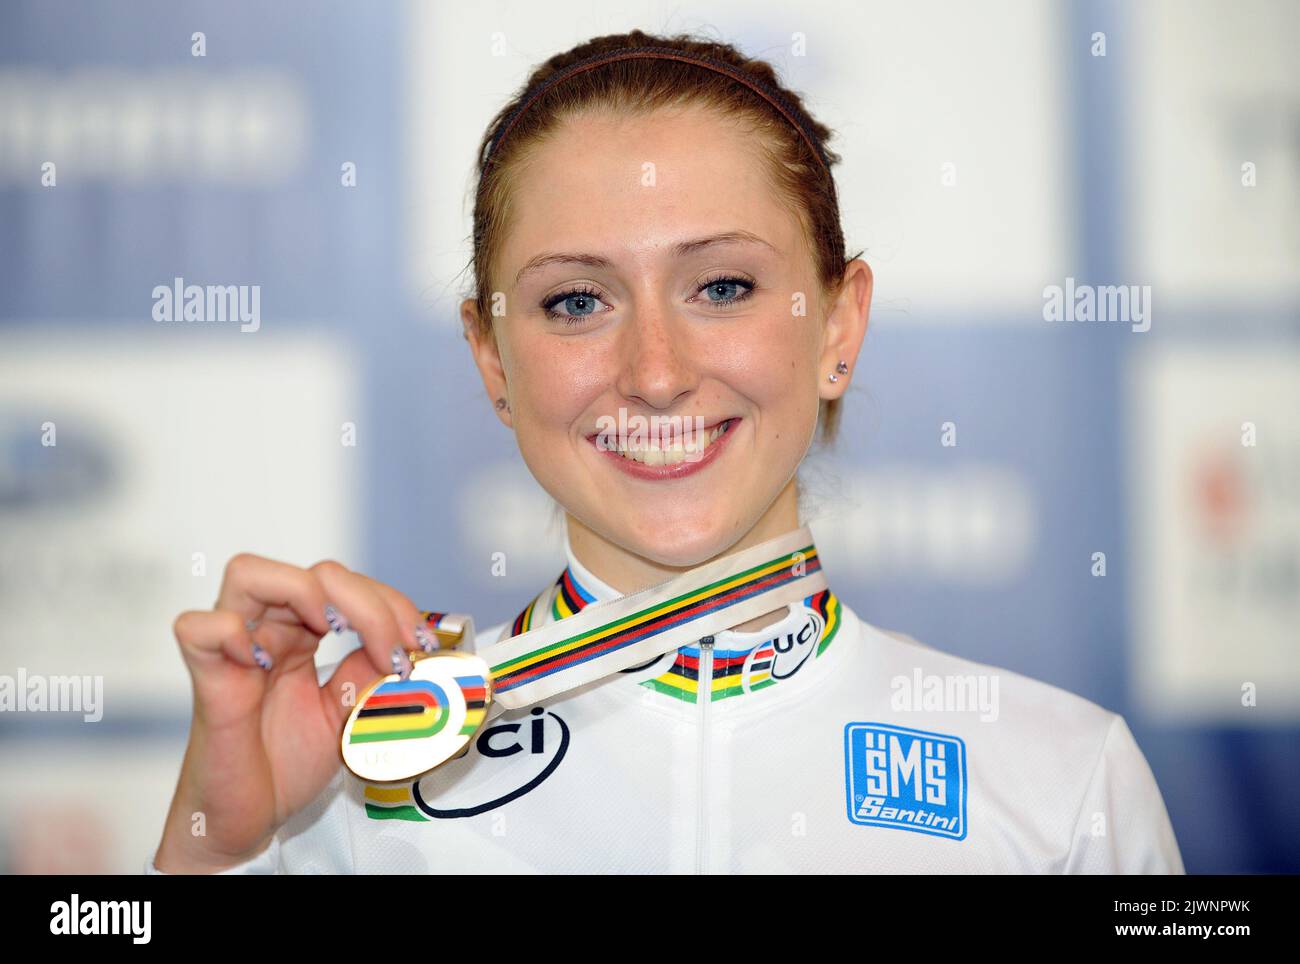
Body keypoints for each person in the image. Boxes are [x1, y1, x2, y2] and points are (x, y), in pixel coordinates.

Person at [149, 29, 1184, 874]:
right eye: (577, 301)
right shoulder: (343, 784)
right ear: (492, 359)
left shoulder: (1061, 784)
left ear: (836, 326)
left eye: (722, 286)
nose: (653, 371)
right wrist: (213, 851)